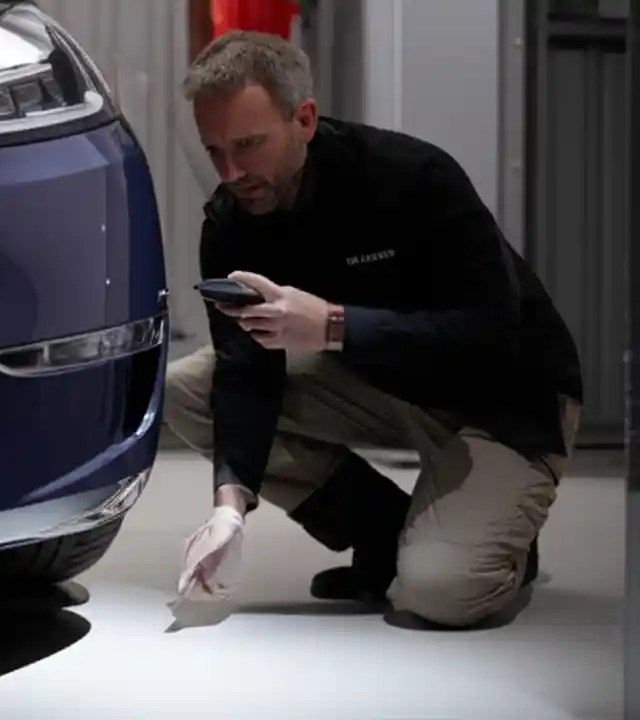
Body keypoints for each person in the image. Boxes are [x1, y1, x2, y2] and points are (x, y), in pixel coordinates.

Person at [166, 30, 584, 629]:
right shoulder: (232, 225)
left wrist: (333, 325)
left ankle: (499, 544)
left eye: (249, 145)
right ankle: (383, 532)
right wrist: (227, 511)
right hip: (382, 380)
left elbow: (492, 332)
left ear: (304, 119)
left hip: (506, 399)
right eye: (214, 152)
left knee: (439, 596)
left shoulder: (413, 176)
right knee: (188, 389)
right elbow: (244, 371)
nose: (232, 172)